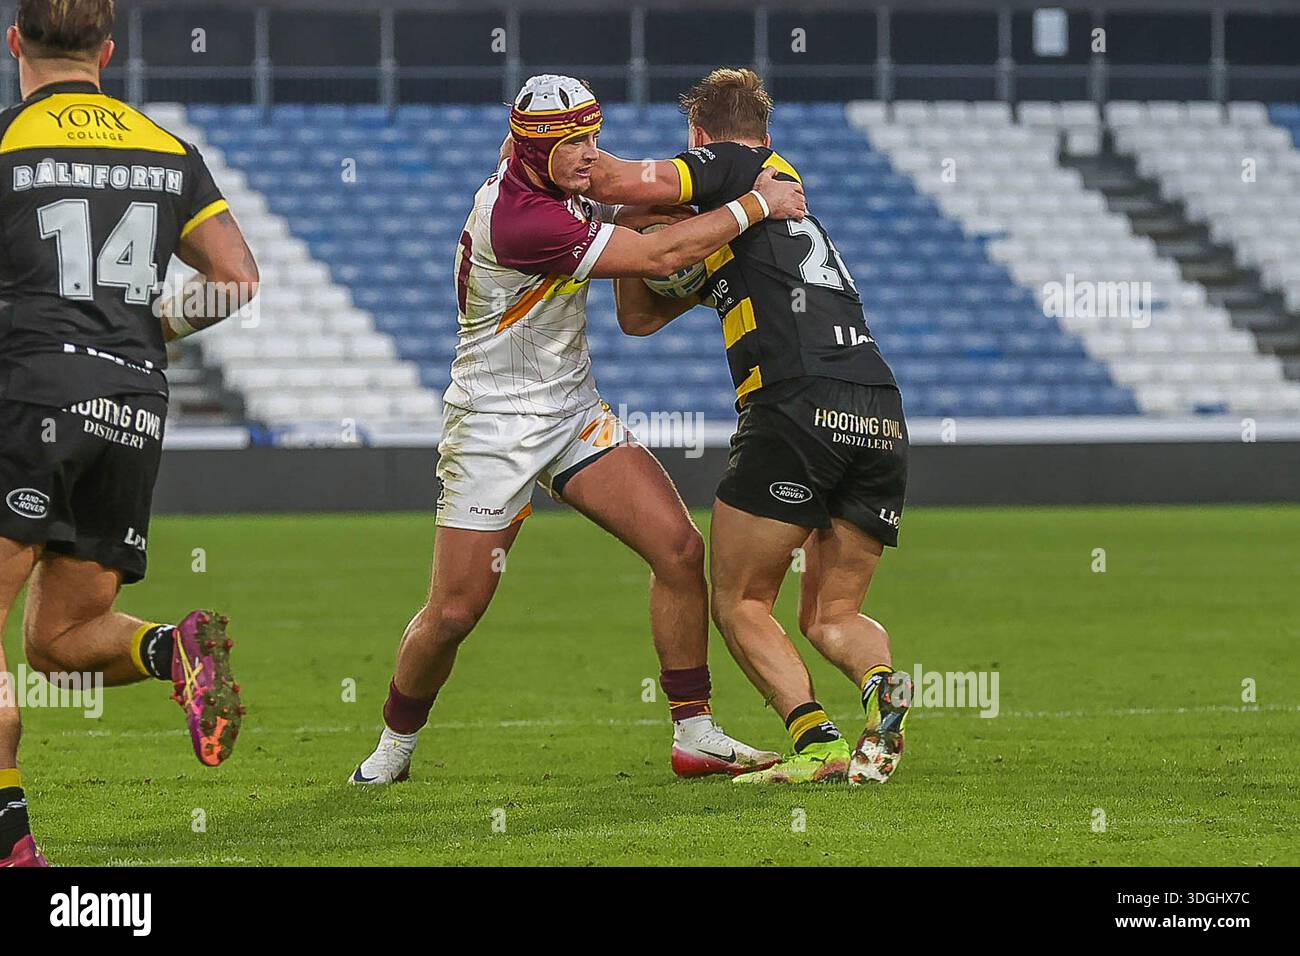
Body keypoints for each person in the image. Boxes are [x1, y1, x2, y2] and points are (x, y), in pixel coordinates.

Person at [351, 74, 808, 784]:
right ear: (534, 153)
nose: (591, 154)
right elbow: (659, 257)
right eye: (574, 145)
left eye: (594, 136)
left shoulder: (552, 165)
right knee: (454, 611)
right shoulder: (521, 217)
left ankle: (694, 731)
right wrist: (756, 202)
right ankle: (394, 745)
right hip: (494, 423)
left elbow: (634, 192)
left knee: (680, 552)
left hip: (572, 410)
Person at [588, 68, 912, 785]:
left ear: (700, 138)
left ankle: (817, 743)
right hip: (878, 405)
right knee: (831, 616)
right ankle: (882, 686)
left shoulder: (742, 163)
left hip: (796, 402)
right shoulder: (759, 227)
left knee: (738, 598)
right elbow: (640, 316)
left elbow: (615, 180)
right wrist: (633, 238)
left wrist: (556, 174)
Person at [0, 0, 259, 866]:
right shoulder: (165, 149)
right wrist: (144, 335)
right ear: (107, 52)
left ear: (14, 44)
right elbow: (234, 278)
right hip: (132, 403)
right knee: (57, 646)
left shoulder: (7, 141)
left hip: (26, 390)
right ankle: (169, 648)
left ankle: (11, 843)